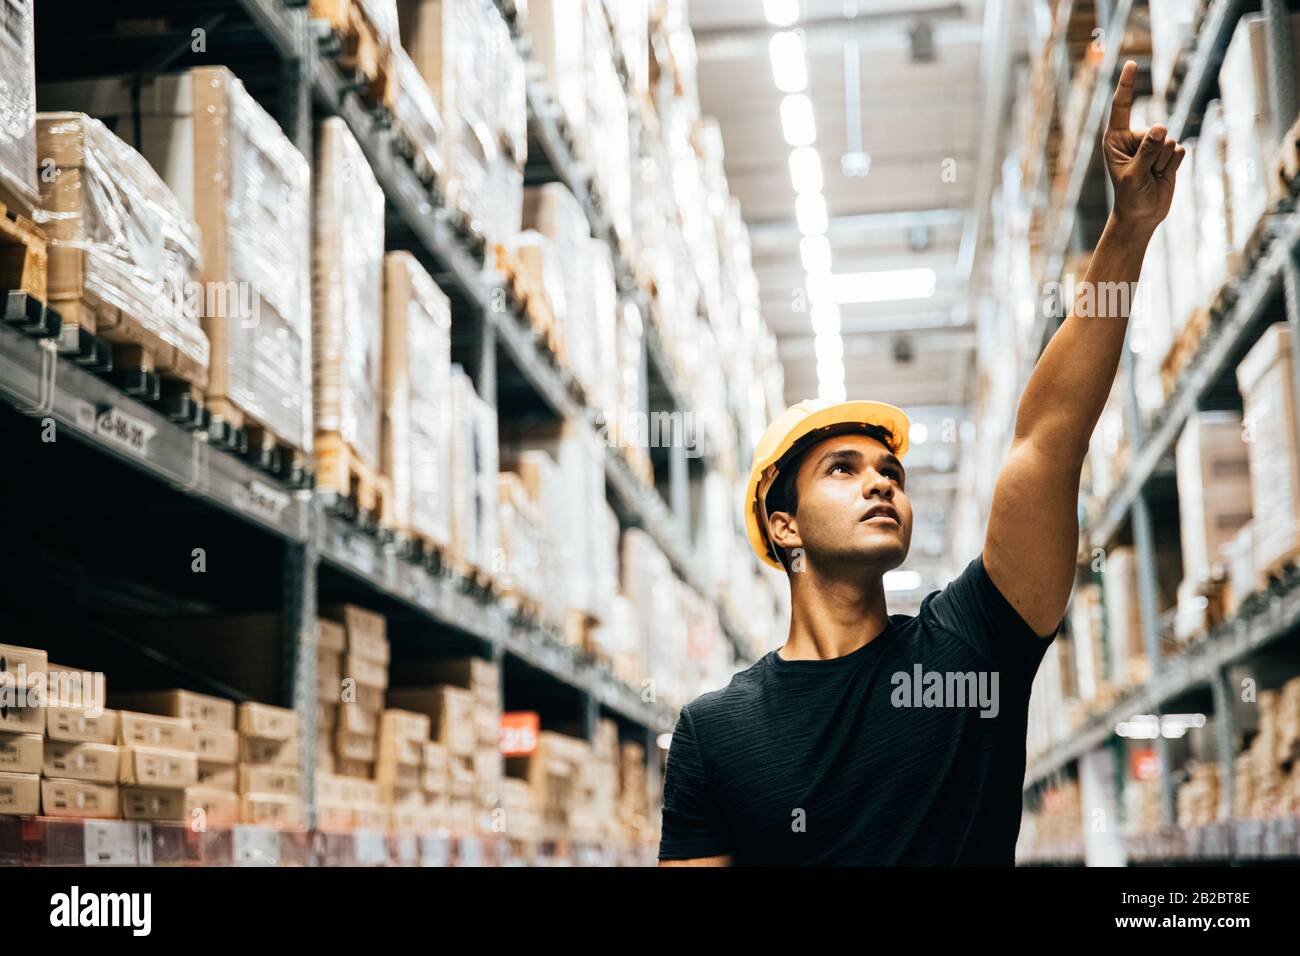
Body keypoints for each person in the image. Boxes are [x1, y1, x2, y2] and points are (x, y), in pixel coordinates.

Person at [658, 61, 1184, 866]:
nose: (881, 481)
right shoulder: (714, 731)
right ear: (782, 522)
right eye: (843, 468)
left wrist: (1127, 235)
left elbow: (1050, 439)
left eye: (892, 474)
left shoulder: (969, 649)